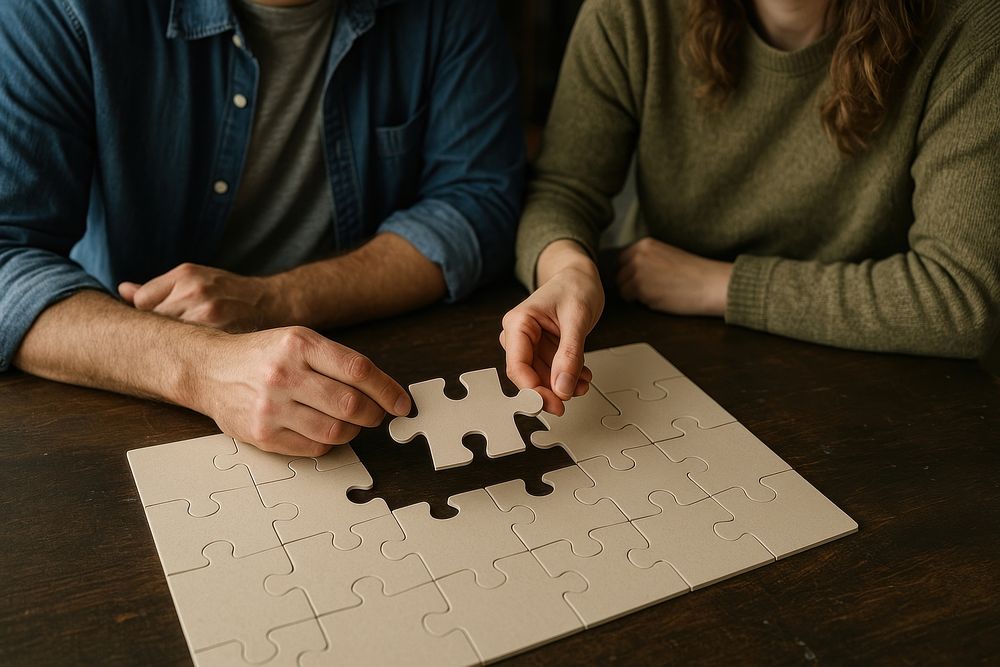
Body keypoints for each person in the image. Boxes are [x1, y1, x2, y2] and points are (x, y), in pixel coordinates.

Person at [0, 0, 524, 454]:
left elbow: (478, 202)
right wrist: (201, 367)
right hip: (127, 381)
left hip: (366, 358)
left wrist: (273, 299)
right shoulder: (63, 10)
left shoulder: (451, 10)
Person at [502, 0, 1000, 415]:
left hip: (882, 387)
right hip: (673, 358)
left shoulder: (969, 26)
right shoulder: (631, 12)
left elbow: (964, 296)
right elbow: (563, 188)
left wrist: (721, 285)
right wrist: (569, 270)